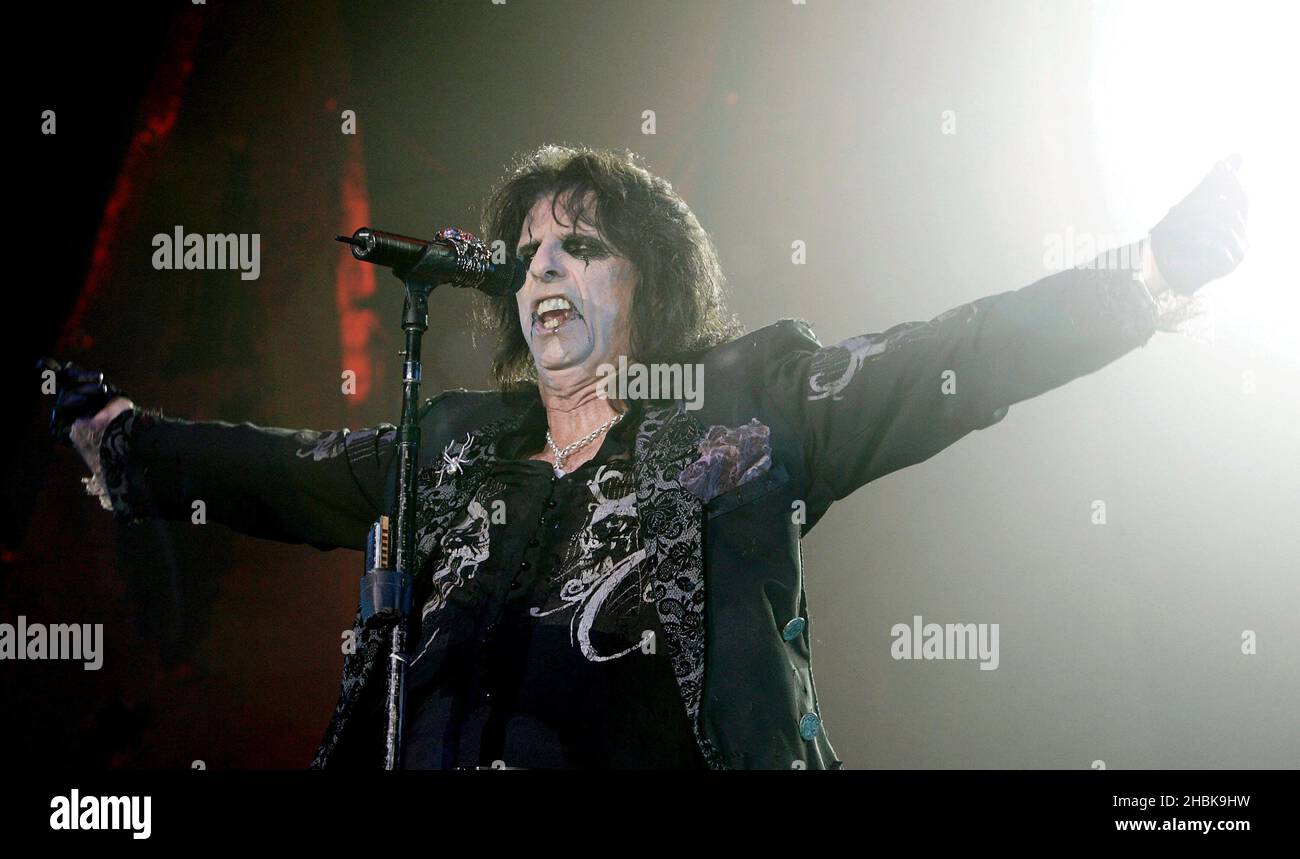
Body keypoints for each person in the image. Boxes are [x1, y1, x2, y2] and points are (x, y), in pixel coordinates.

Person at [44, 144, 1248, 769]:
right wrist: (121, 439)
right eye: (528, 253)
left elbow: (949, 356)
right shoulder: (460, 445)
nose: (543, 270)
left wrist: (1146, 275)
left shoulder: (740, 407)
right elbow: (293, 470)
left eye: (579, 245)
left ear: (647, 281)